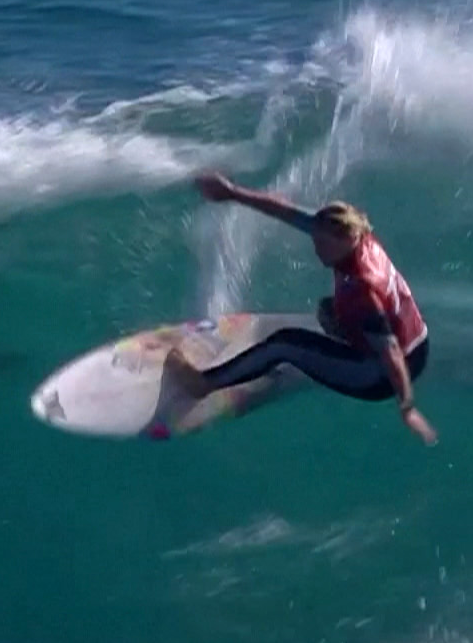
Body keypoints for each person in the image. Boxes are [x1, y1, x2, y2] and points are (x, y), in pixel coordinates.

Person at [166, 171, 438, 445]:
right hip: (418, 343)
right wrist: (232, 192)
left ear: (342, 239)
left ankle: (203, 384)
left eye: (322, 244)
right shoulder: (357, 234)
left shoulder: (361, 289)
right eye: (315, 239)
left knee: (284, 344)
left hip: (380, 377)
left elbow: (390, 352)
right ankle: (321, 359)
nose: (316, 248)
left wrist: (407, 407)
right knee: (328, 311)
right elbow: (284, 211)